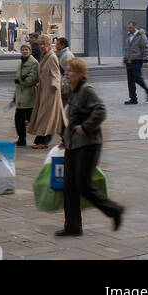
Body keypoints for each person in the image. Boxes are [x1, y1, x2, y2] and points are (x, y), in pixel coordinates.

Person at [56, 57, 124, 237]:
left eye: (70, 71)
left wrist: (86, 127)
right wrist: (65, 138)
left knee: (83, 184)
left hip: (89, 144)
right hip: (73, 144)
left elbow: (100, 110)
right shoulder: (72, 91)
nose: (66, 74)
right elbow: (71, 119)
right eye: (66, 70)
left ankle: (114, 210)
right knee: (69, 186)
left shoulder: (87, 91)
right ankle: (72, 227)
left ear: (80, 74)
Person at [27, 34, 64, 148]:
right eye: (40, 44)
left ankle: (43, 141)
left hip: (50, 92)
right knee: (55, 118)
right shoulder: (45, 56)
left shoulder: (51, 57)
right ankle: (43, 140)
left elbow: (56, 74)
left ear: (49, 44)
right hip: (45, 90)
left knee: (47, 116)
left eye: (44, 44)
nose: (42, 46)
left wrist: (54, 86)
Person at [11, 43, 39, 146]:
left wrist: (20, 81)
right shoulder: (20, 63)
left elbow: (32, 79)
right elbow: (20, 79)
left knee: (32, 119)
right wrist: (15, 96)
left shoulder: (34, 63)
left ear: (30, 51)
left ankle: (42, 137)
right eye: (23, 50)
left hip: (29, 96)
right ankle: (21, 139)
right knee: (18, 119)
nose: (25, 51)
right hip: (20, 97)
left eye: (26, 49)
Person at [123, 21, 148, 104]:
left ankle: (147, 90)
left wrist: (146, 59)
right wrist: (125, 59)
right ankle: (133, 99)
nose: (129, 29)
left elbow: (145, 47)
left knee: (137, 78)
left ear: (135, 27)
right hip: (129, 61)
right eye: (128, 27)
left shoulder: (141, 36)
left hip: (137, 60)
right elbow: (127, 49)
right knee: (130, 81)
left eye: (131, 27)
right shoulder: (129, 36)